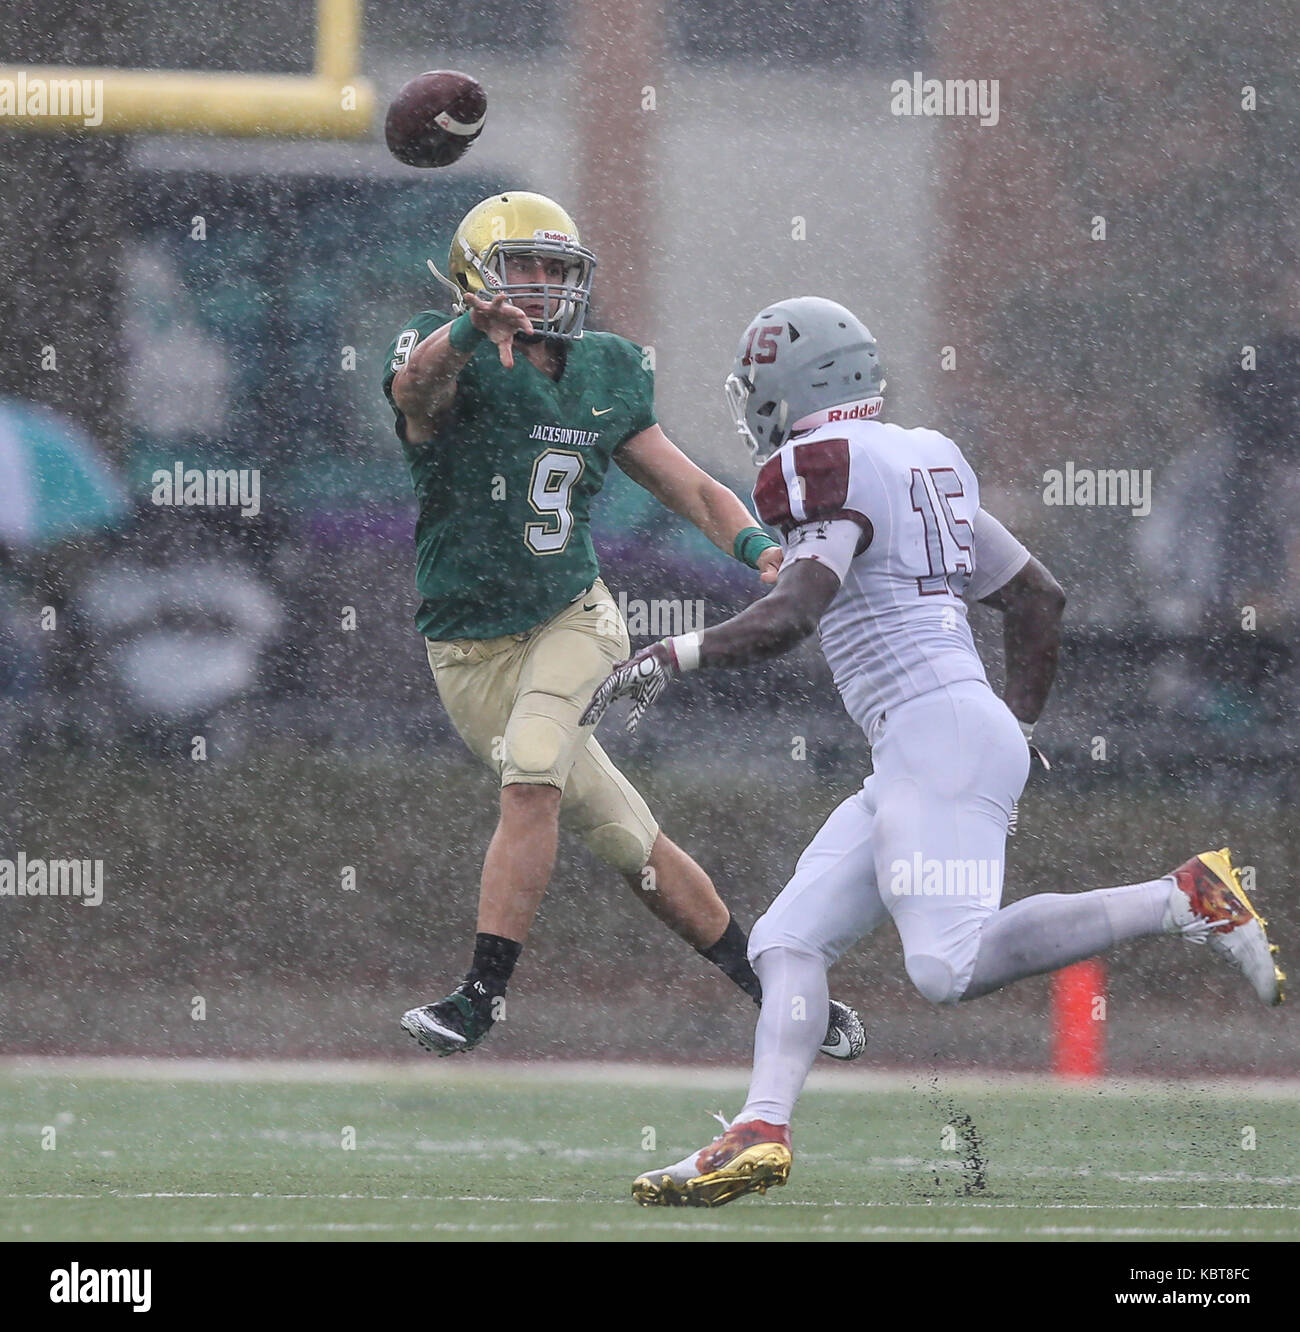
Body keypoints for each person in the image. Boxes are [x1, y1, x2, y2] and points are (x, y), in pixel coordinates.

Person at [582, 296, 1285, 1207]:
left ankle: (1184, 897)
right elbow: (1041, 599)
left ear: (790, 388)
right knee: (787, 941)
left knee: (945, 968)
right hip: (937, 737)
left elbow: (792, 616)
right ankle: (758, 1131)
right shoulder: (926, 457)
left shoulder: (817, 463)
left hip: (936, 734)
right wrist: (1015, 735)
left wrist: (669, 653)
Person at [382, 195, 865, 1060]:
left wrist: (756, 547)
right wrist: (463, 335)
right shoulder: (439, 348)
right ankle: (776, 991)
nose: (541, 285)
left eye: (555, 268)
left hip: (573, 618)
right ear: (472, 278)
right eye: (522, 267)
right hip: (462, 651)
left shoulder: (604, 370)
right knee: (627, 837)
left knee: (532, 774)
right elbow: (416, 391)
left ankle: (478, 997)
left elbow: (691, 487)